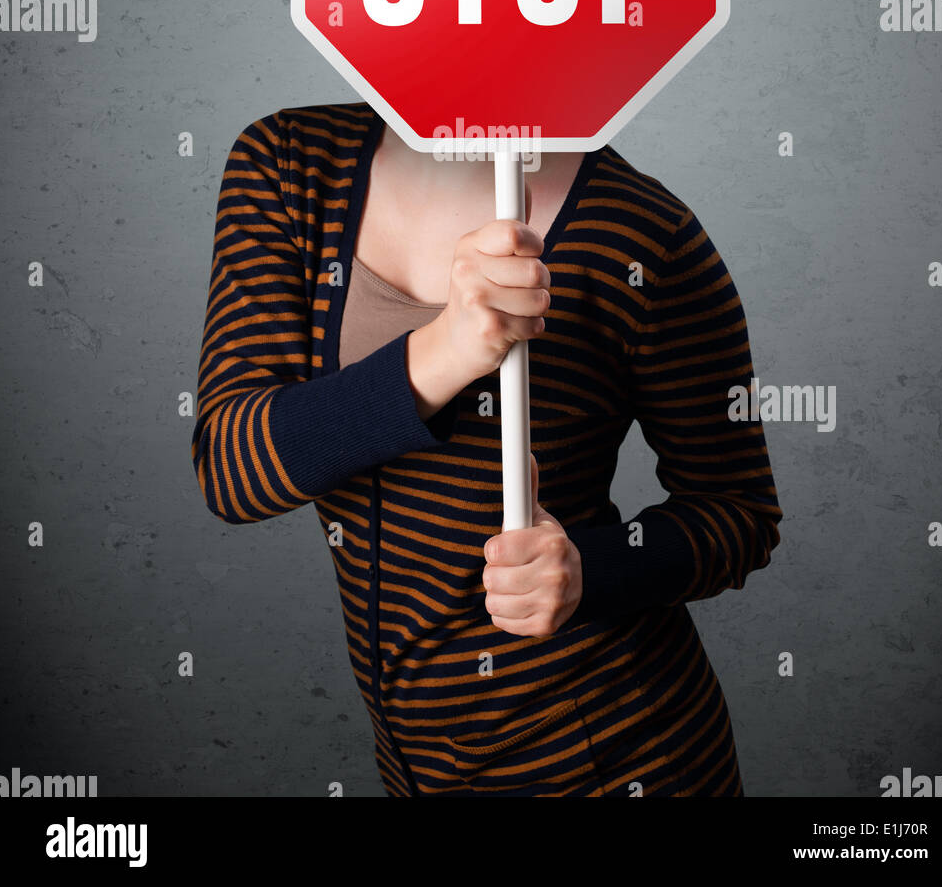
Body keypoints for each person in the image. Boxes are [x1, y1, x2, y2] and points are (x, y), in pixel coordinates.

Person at [192, 100, 782, 797]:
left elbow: (740, 511)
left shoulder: (643, 231)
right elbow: (231, 470)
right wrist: (441, 353)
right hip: (417, 763)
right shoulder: (290, 164)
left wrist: (590, 569)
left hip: (614, 760)